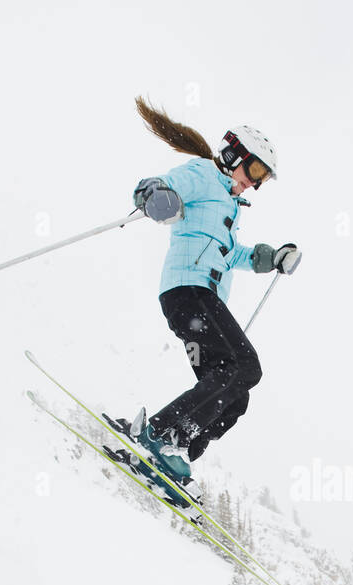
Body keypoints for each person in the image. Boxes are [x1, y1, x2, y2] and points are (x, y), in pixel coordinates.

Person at [107, 97, 300, 504]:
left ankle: (174, 454)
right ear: (233, 154)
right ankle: (161, 435)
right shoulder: (203, 174)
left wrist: (272, 258)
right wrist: (155, 195)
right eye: (256, 170)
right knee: (245, 366)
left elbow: (234, 255)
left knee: (236, 396)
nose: (256, 182)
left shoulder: (228, 206)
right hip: (187, 293)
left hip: (200, 301)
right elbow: (158, 186)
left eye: (263, 178)